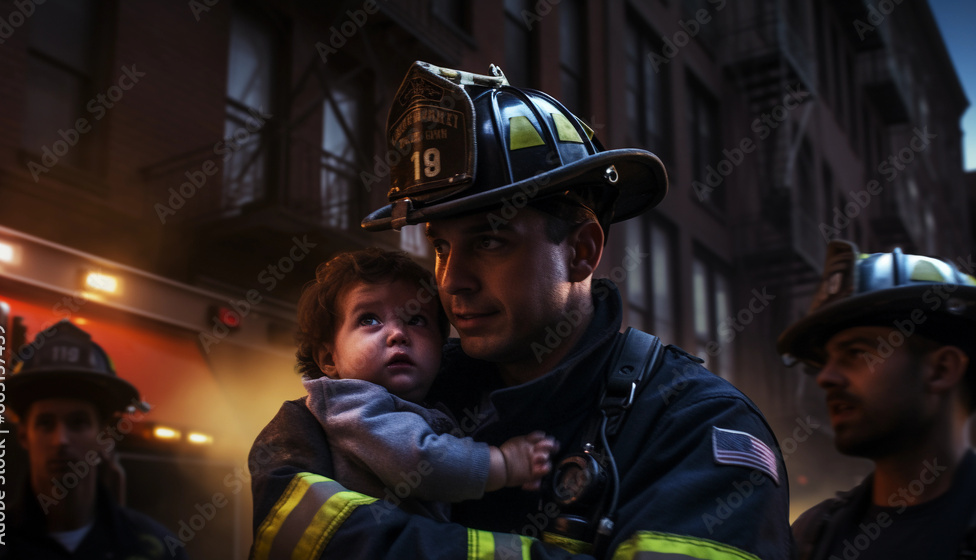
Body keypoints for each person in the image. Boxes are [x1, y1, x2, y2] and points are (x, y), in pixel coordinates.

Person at [249, 61, 793, 559]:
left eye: (490, 241)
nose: (450, 282)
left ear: (581, 251)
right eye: (439, 247)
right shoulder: (416, 387)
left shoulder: (694, 425)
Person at [295, 247, 559, 521]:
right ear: (329, 358)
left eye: (416, 320)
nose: (398, 334)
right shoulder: (351, 405)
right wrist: (504, 464)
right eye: (369, 319)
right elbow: (419, 461)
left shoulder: (437, 398)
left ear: (441, 347)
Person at [777, 240, 976, 560]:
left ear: (941, 370)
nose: (826, 377)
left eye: (856, 352)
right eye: (826, 359)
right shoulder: (811, 537)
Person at [0, 320, 186, 560]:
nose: (61, 440)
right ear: (24, 435)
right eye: (46, 423)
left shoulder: (156, 550)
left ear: (104, 435)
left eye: (78, 423)